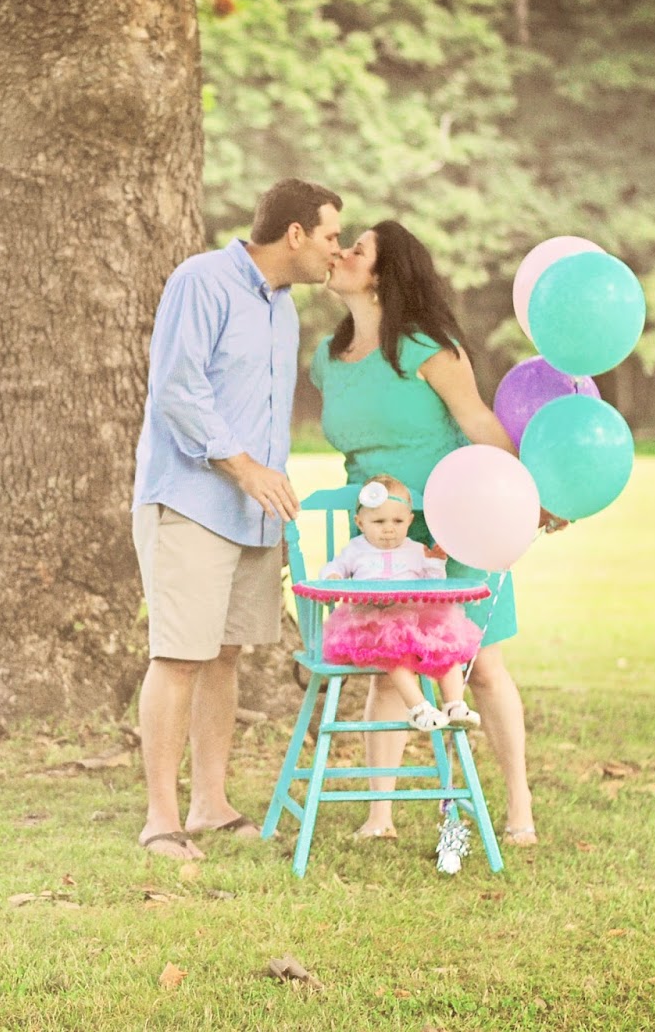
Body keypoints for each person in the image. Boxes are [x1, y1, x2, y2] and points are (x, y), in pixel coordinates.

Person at [310, 219, 548, 846]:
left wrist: (529, 496)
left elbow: (479, 423)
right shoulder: (326, 360)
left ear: (384, 278)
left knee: (483, 665)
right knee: (389, 665)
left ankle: (518, 803)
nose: (340, 253)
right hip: (384, 537)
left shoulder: (427, 347)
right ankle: (379, 815)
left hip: (457, 525)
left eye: (356, 249)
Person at [131, 178, 344, 861]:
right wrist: (246, 469)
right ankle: (160, 819)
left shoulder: (283, 309)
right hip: (191, 501)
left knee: (224, 656)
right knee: (180, 655)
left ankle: (209, 805)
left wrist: (270, 501)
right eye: (333, 236)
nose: (337, 252)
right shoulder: (202, 281)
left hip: (251, 516)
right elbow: (177, 390)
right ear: (295, 234)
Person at [319, 475, 483, 732]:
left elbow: (434, 586)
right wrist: (333, 576)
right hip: (370, 623)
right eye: (379, 521)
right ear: (359, 522)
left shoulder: (416, 550)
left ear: (410, 520)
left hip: (415, 619)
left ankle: (454, 704)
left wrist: (434, 563)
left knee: (446, 645)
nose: (388, 528)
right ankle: (418, 707)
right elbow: (335, 566)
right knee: (393, 652)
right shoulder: (356, 550)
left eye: (397, 521)